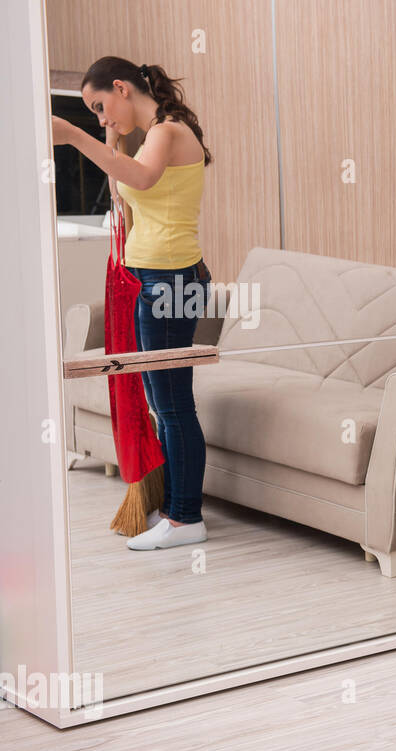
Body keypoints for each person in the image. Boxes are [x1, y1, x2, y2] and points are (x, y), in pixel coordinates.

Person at [53, 57, 213, 550]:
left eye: (101, 107)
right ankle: (174, 510)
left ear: (121, 87)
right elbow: (135, 193)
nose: (102, 119)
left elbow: (141, 181)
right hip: (155, 280)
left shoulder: (166, 131)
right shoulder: (150, 137)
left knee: (172, 406)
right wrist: (109, 140)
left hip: (171, 283)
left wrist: (78, 138)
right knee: (164, 406)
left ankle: (187, 520)